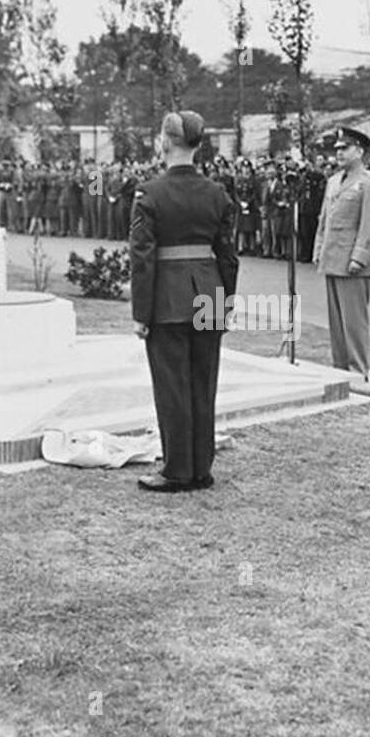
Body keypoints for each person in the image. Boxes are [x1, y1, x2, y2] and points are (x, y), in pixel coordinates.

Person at [129, 110, 239, 493]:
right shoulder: (216, 193)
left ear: (165, 141)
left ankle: (177, 470)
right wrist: (225, 302)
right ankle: (200, 469)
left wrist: (141, 313)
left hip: (168, 299)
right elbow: (227, 255)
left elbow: (142, 258)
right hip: (208, 292)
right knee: (203, 383)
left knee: (172, 386)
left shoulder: (150, 192)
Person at [314, 127, 370, 378]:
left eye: (345, 148)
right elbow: (325, 219)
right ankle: (340, 368)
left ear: (360, 151)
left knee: (354, 321)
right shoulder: (334, 181)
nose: (339, 153)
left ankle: (357, 369)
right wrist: (319, 247)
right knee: (336, 322)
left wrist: (360, 256)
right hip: (333, 257)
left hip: (352, 261)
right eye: (337, 149)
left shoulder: (369, 182)